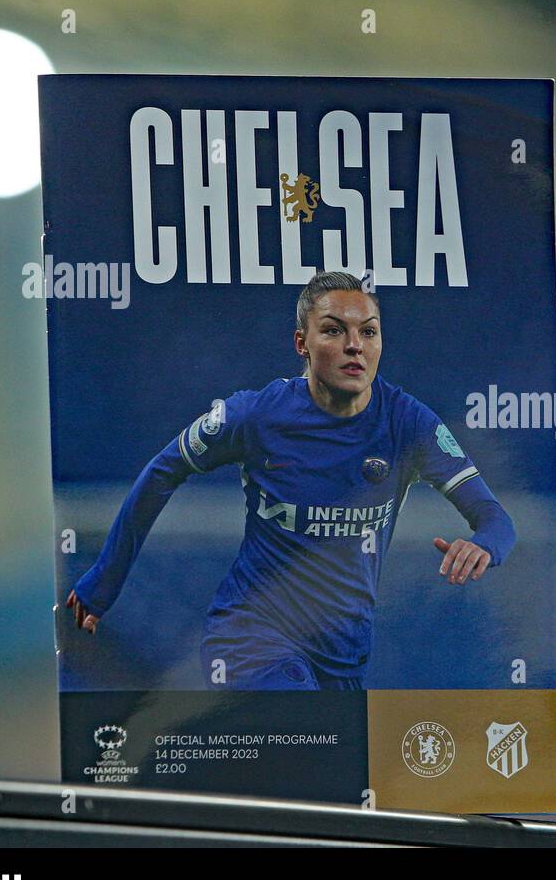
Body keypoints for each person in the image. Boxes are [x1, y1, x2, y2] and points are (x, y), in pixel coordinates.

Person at [64, 271, 516, 690]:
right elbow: (163, 471)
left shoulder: (408, 424)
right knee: (296, 722)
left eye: (369, 331)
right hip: (250, 638)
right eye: (334, 330)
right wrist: (104, 580)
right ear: (302, 342)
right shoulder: (256, 415)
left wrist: (483, 545)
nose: (354, 345)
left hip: (344, 655)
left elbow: (495, 519)